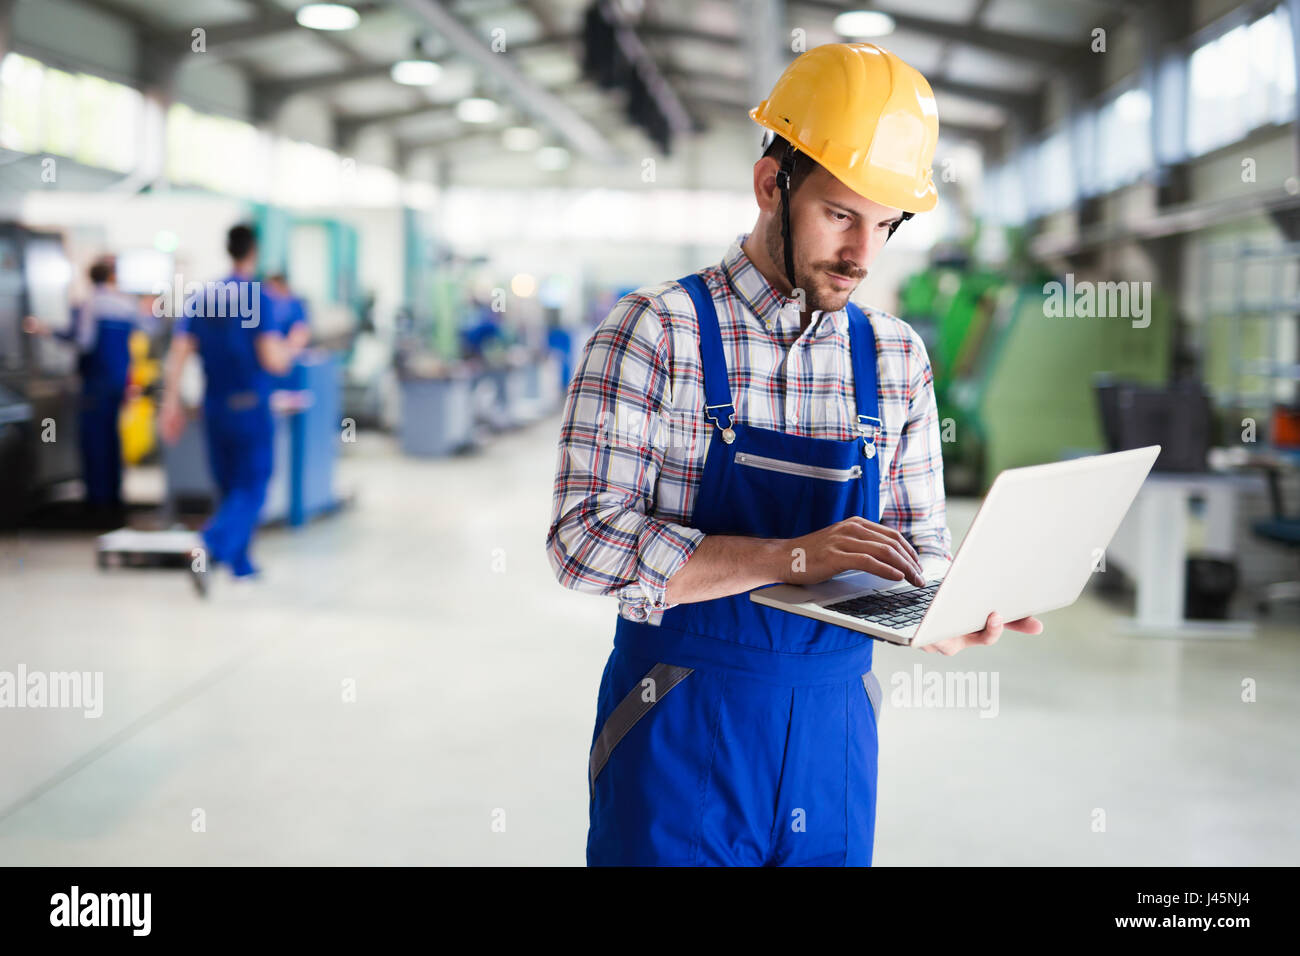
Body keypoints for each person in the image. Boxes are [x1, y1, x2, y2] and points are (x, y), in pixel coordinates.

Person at [546, 42, 1044, 867]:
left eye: (885, 224)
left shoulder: (896, 359)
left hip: (835, 729)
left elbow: (919, 547)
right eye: (841, 214)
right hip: (678, 714)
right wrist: (790, 556)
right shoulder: (654, 331)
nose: (863, 254)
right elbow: (582, 544)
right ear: (771, 184)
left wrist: (945, 613)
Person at [159, 224, 310, 584]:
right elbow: (274, 359)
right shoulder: (258, 298)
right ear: (253, 252)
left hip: (214, 408)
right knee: (253, 485)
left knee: (229, 487)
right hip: (250, 406)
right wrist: (294, 345)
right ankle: (209, 546)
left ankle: (241, 563)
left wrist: (170, 405)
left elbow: (179, 353)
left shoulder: (204, 297)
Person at [24, 257, 150, 517]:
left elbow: (83, 341)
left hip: (95, 383)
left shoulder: (90, 304)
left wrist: (46, 330)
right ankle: (114, 497)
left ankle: (97, 502)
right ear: (112, 277)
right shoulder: (126, 304)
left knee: (94, 441)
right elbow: (146, 329)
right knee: (113, 439)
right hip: (118, 382)